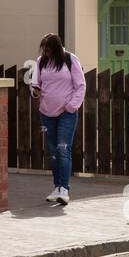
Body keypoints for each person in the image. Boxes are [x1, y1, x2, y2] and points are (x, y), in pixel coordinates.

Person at [31, 34, 87, 207]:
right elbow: (35, 83)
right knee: (53, 151)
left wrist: (71, 106)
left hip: (66, 113)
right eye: (44, 49)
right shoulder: (41, 61)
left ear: (57, 47)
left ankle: (64, 188)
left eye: (49, 49)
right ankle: (57, 187)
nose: (46, 52)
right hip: (46, 112)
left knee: (63, 148)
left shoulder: (70, 60)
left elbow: (81, 85)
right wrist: (34, 91)